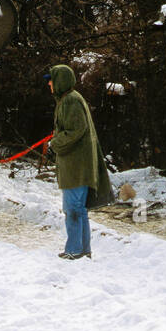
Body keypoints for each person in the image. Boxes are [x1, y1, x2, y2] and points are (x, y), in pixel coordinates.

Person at [47, 64, 103, 260]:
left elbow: (75, 131)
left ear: (60, 81)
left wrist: (54, 143)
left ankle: (74, 250)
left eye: (51, 80)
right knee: (79, 209)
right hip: (78, 164)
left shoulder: (70, 101)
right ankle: (83, 249)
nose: (49, 84)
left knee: (73, 209)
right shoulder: (71, 99)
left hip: (76, 166)